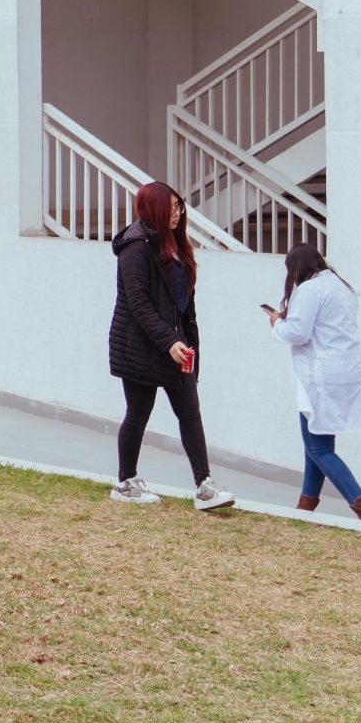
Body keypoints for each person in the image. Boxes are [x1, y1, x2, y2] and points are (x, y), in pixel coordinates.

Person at [108, 181, 236, 512]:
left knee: (190, 414)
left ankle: (204, 485)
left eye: (180, 207)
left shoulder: (176, 247)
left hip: (177, 348)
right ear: (154, 210)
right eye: (173, 208)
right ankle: (126, 482)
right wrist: (169, 341)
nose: (178, 214)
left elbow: (182, 307)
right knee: (137, 414)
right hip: (139, 345)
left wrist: (187, 342)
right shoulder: (135, 248)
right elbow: (139, 304)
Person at [265, 239, 361, 524]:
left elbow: (298, 333)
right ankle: (305, 507)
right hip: (345, 372)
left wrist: (276, 322)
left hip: (320, 377)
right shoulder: (339, 285)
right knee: (317, 445)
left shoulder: (310, 289)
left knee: (318, 448)